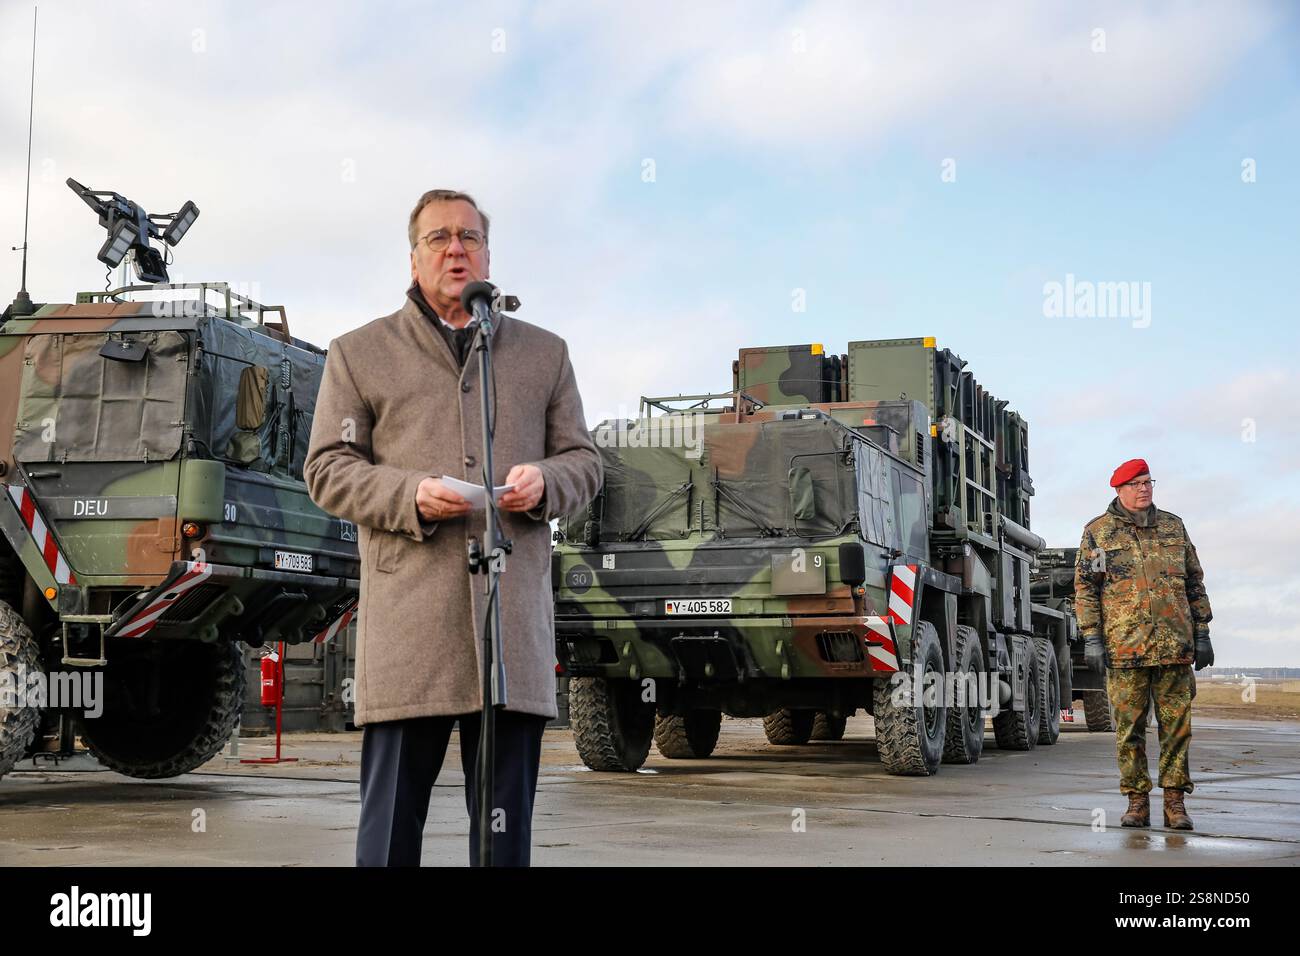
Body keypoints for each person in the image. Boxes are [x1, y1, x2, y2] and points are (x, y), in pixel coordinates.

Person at [304, 188, 602, 865]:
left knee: (503, 840)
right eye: (438, 238)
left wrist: (545, 483)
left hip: (511, 632)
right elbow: (326, 468)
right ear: (414, 259)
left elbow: (585, 461)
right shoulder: (358, 353)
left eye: (469, 236)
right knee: (388, 837)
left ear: (488, 254)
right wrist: (412, 493)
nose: (456, 248)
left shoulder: (544, 354)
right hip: (411, 627)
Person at [1074, 458, 1213, 830]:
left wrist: (1202, 631)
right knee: (1129, 730)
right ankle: (1137, 801)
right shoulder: (1099, 534)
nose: (1144, 489)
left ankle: (1175, 803)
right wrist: (1092, 638)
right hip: (1124, 650)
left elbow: (1194, 581)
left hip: (1174, 649)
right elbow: (1087, 588)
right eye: (1136, 484)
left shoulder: (1173, 526)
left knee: (1176, 729)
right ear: (1118, 489)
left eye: (1148, 482)